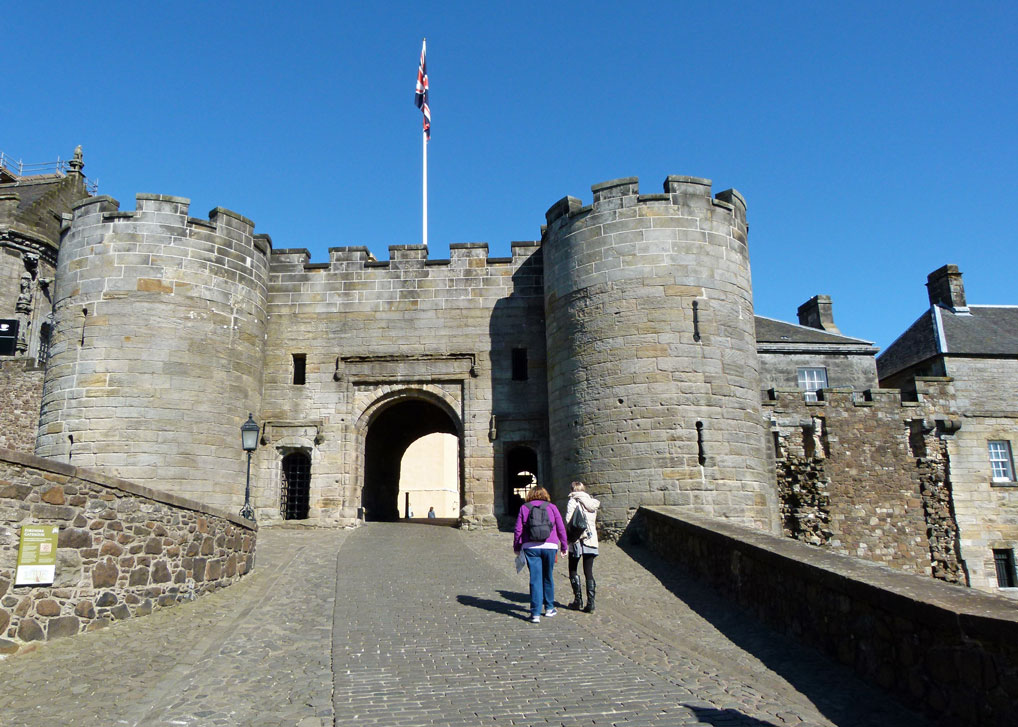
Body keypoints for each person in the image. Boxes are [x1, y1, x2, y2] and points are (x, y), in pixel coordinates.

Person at [513, 486, 567, 623]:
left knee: (535, 579)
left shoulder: (524, 508)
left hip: (530, 547)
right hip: (550, 546)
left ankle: (535, 613)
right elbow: (561, 527)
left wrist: (517, 546)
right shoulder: (552, 507)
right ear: (545, 495)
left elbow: (518, 529)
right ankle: (549, 608)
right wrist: (564, 546)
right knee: (548, 577)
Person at [564, 481, 600, 613]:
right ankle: (591, 603)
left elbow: (569, 521)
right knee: (588, 571)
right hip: (591, 539)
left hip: (577, 540)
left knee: (573, 569)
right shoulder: (592, 503)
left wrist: (567, 539)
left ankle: (577, 600)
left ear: (573, 489)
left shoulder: (573, 501)